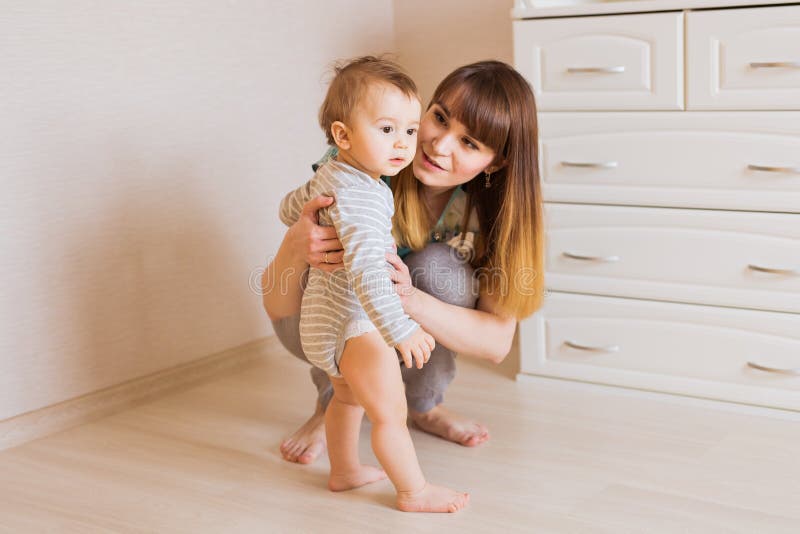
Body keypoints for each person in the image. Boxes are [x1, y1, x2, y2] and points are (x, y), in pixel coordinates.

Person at [262, 59, 543, 468]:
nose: (439, 145)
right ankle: (333, 403)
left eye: (470, 143)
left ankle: (423, 405)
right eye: (440, 118)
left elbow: (496, 343)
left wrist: (406, 299)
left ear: (495, 163)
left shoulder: (494, 214)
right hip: (316, 325)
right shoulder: (364, 160)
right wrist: (294, 245)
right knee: (345, 278)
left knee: (437, 268)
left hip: (401, 325)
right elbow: (277, 309)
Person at [278, 56, 468, 513]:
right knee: (389, 413)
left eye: (408, 130)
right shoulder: (365, 195)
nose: (403, 144)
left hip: (323, 323)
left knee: (346, 398)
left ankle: (344, 472)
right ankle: (413, 491)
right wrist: (400, 330)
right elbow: (367, 273)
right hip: (355, 321)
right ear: (343, 135)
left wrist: (306, 219)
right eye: (386, 130)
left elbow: (289, 209)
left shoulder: (330, 175)